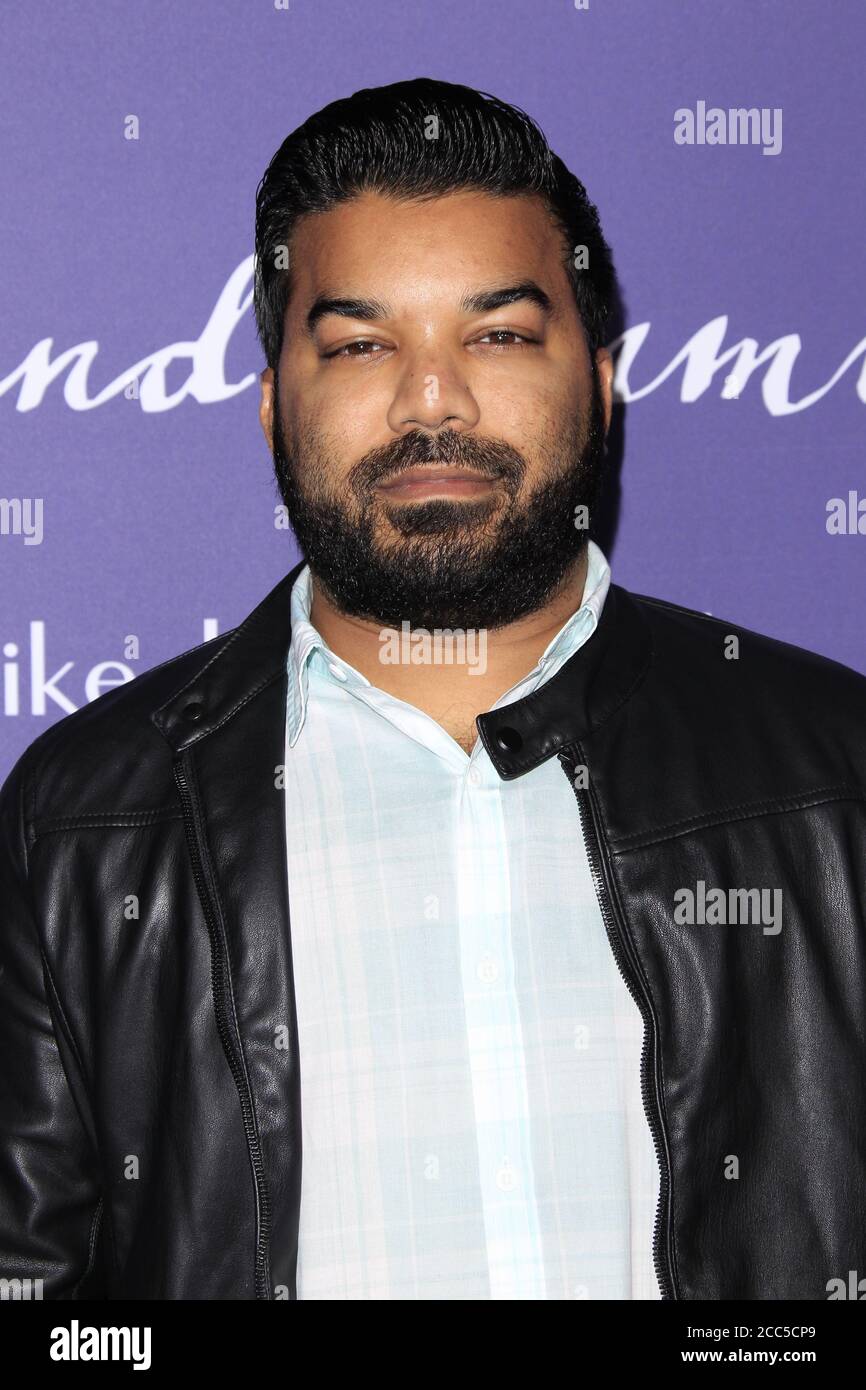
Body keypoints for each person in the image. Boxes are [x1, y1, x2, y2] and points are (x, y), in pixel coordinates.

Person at [1, 77, 864, 1302]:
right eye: (359, 344)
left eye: (499, 334)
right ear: (265, 410)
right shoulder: (80, 824)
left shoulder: (832, 776)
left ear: (602, 384)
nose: (430, 401)